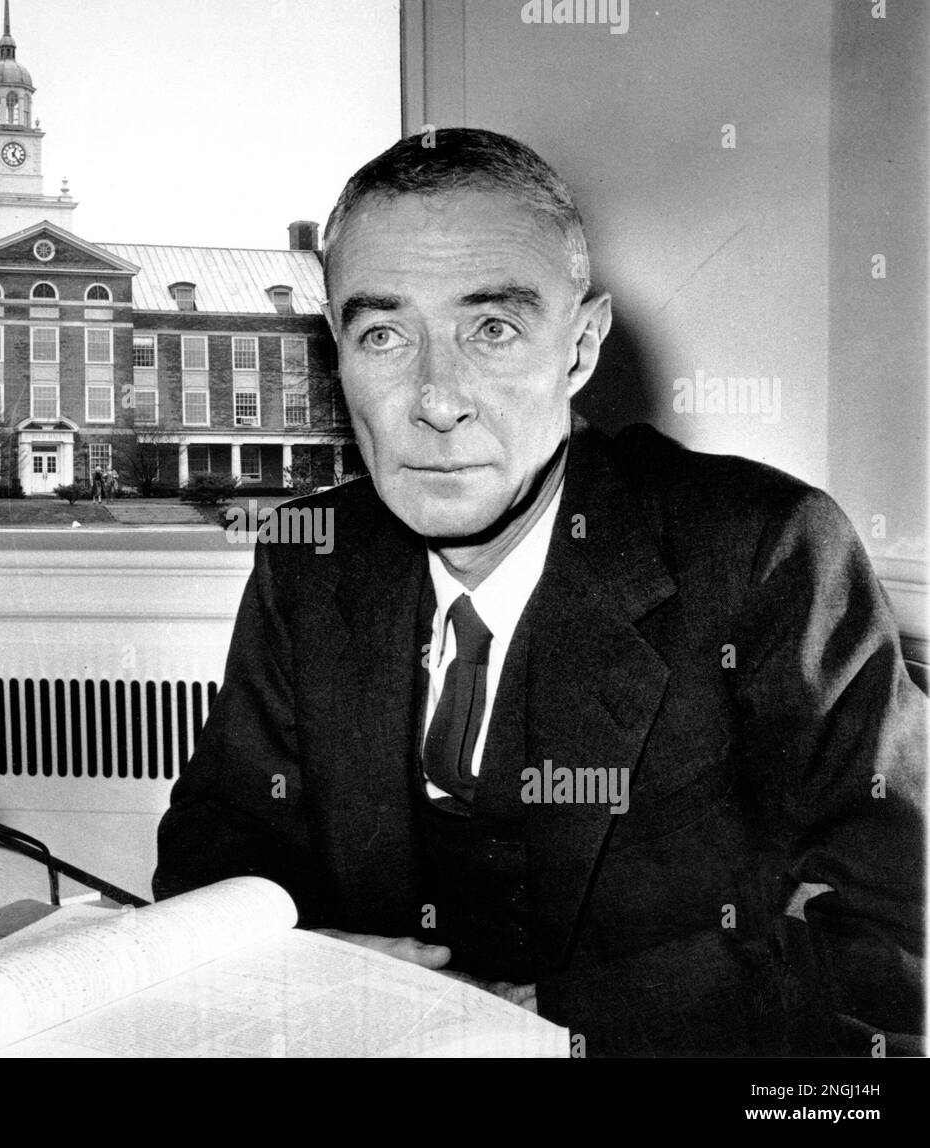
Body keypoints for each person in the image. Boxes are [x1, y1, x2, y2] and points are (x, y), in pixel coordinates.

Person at [153, 128, 926, 1057]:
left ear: (581, 346)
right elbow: (218, 838)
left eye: (493, 329)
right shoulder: (310, 560)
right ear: (337, 355)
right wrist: (302, 964)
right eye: (385, 334)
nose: (437, 399)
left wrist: (535, 1026)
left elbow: (895, 931)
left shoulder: (761, 550)